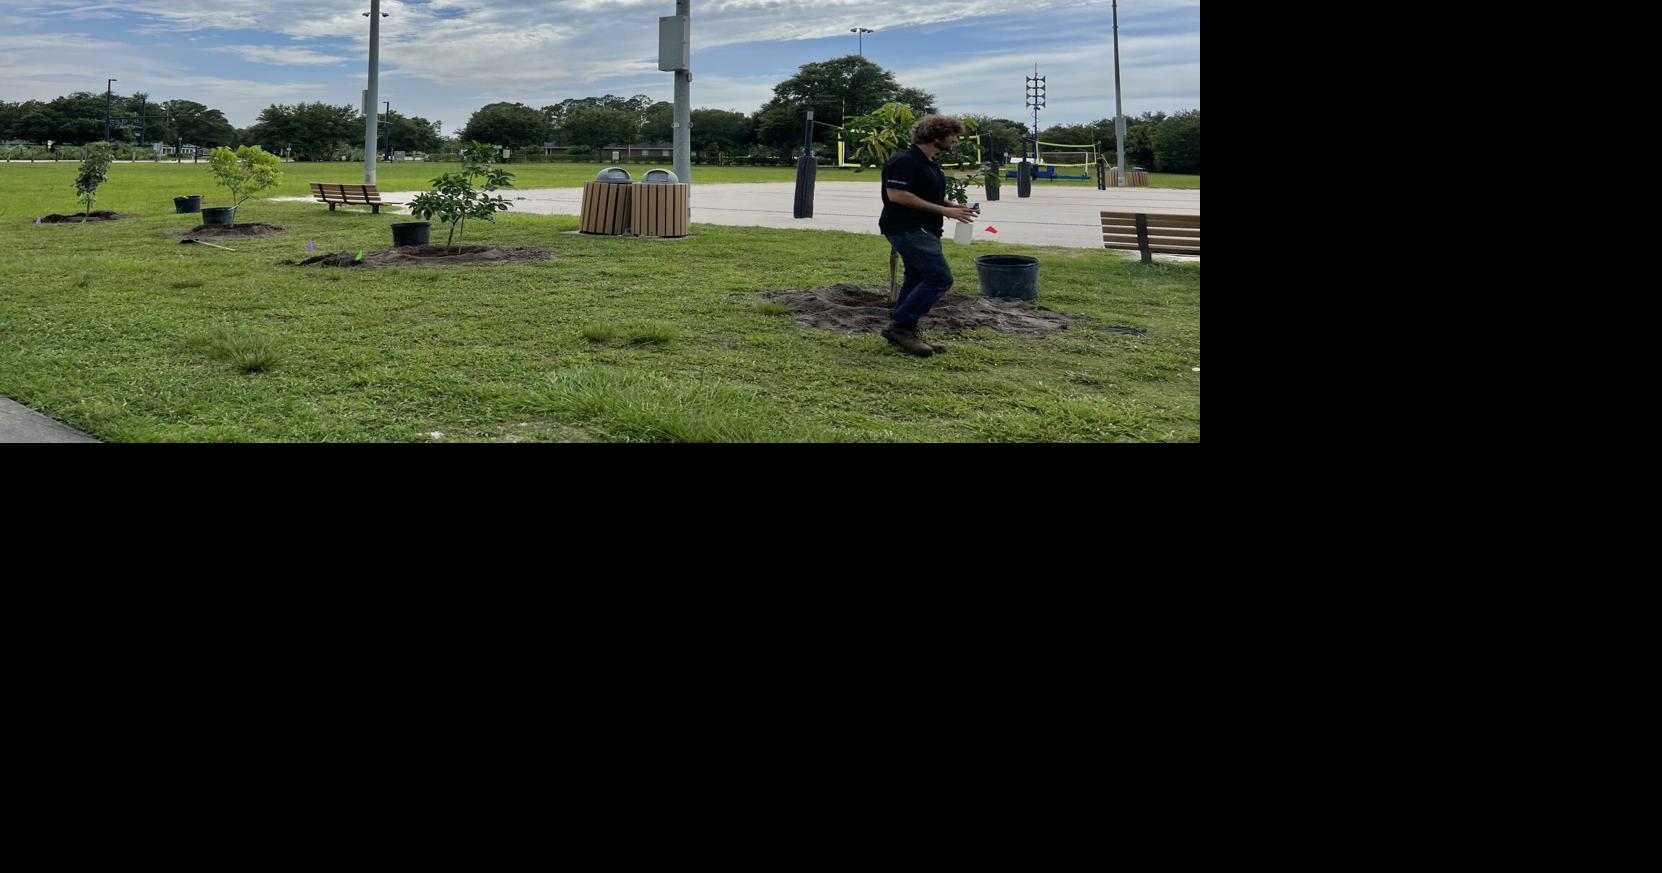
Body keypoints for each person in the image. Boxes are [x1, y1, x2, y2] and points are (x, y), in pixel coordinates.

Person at [877, 114, 979, 357]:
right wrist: (944, 211)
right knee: (939, 277)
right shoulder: (904, 161)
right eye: (953, 135)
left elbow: (927, 194)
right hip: (907, 228)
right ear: (936, 135)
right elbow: (898, 195)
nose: (955, 140)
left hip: (924, 228)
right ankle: (901, 327)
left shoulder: (929, 162)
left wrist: (952, 206)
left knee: (916, 278)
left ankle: (904, 330)